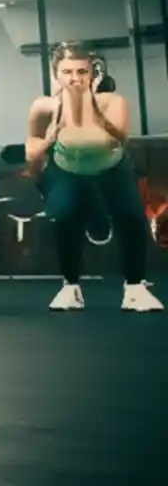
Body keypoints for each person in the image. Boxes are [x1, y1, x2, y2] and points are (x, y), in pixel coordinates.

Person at [25, 42, 162, 312]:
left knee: (132, 216)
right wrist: (51, 137)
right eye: (67, 72)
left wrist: (94, 110)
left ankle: (134, 288)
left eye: (81, 72)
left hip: (111, 166)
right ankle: (70, 288)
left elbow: (121, 135)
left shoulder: (113, 101)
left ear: (91, 74)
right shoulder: (44, 107)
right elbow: (32, 150)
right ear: (57, 75)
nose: (75, 79)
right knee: (64, 217)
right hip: (68, 169)